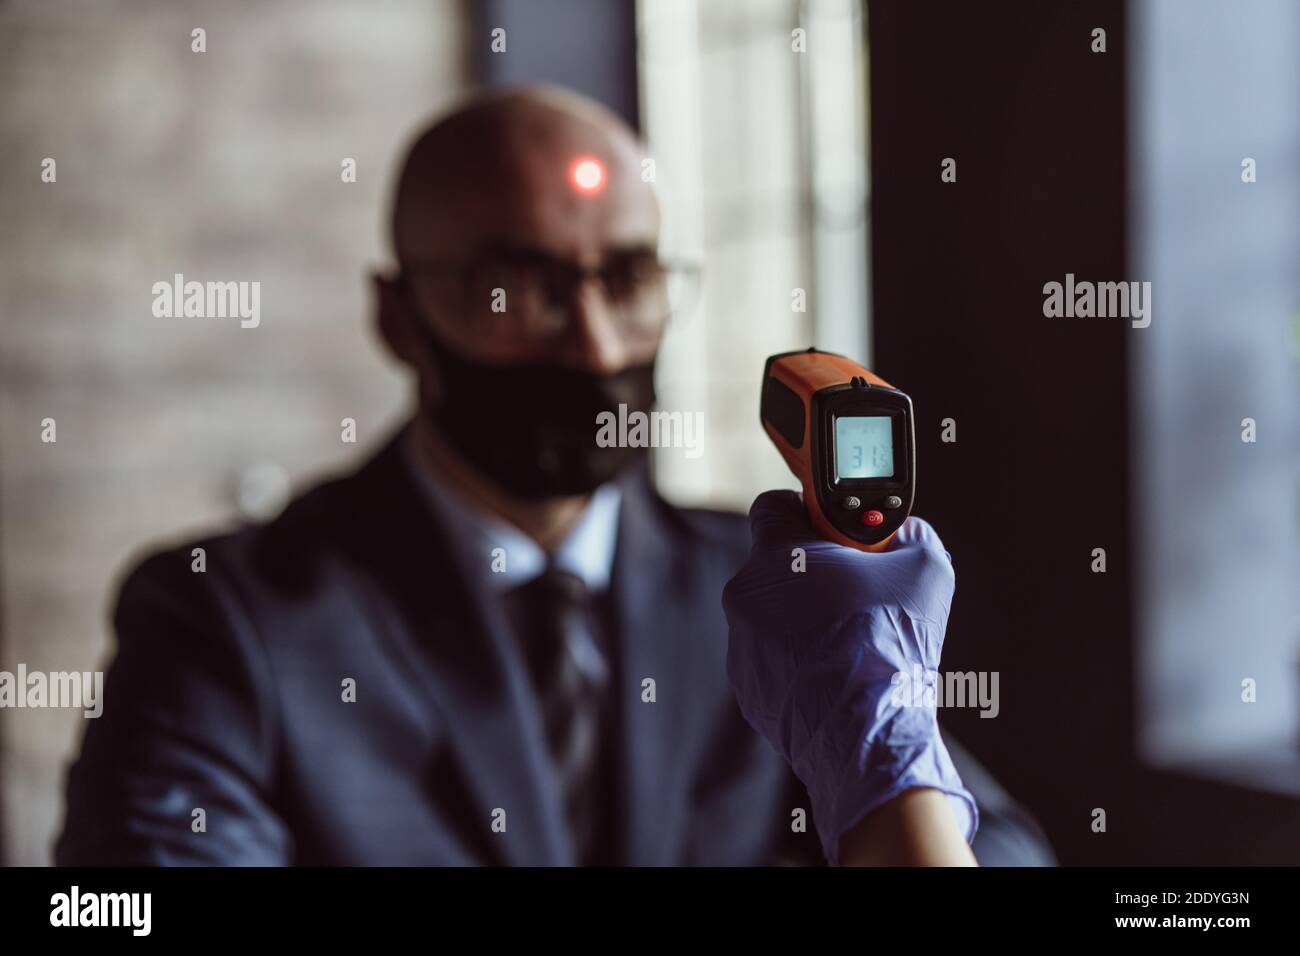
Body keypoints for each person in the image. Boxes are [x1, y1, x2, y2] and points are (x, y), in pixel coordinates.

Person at [56, 85, 1053, 866]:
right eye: (516, 288)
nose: (591, 339)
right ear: (398, 318)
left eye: (627, 277)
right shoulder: (227, 618)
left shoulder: (772, 590)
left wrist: (888, 742)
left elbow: (999, 850)